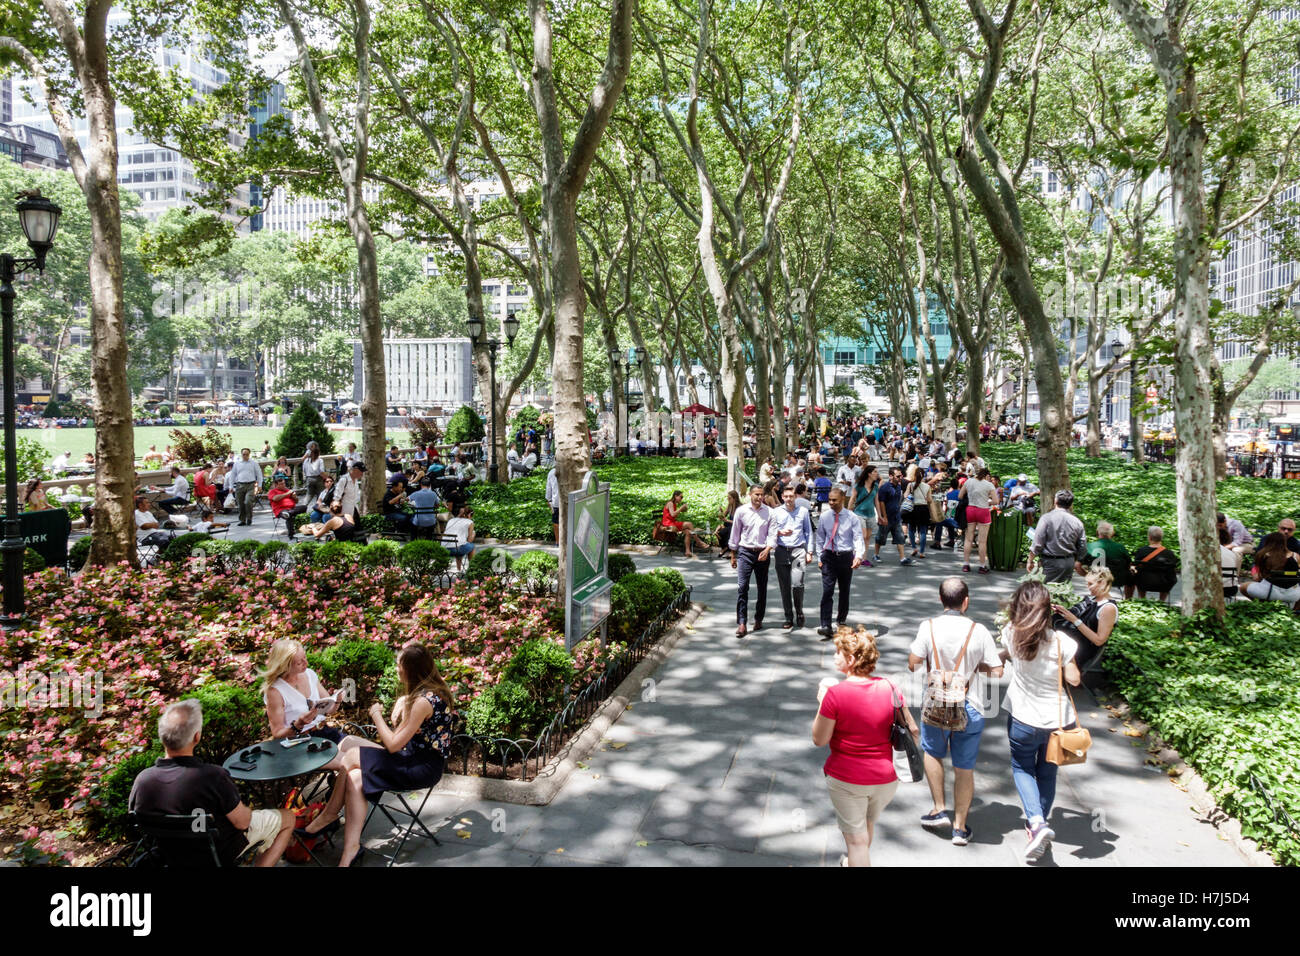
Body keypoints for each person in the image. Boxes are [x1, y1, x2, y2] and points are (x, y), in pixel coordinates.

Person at [298, 644, 453, 867]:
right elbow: (408, 729)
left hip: (419, 767)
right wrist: (403, 701)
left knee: (351, 756)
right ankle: (350, 851)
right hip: (410, 755)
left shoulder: (422, 702)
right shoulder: (432, 690)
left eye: (400, 666)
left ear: (410, 669)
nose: (397, 669)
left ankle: (328, 815)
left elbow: (391, 744)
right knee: (354, 775)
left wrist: (376, 714)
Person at [128, 699, 295, 867]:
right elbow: (242, 822)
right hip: (218, 854)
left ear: (162, 737)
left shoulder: (143, 781)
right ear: (197, 737)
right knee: (288, 818)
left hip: (172, 855)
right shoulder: (212, 776)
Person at [908, 577, 1004, 845]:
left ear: (941, 600)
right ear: (966, 601)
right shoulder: (979, 631)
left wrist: (932, 666)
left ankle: (939, 808)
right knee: (964, 767)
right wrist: (974, 668)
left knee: (932, 753)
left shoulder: (928, 628)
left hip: (936, 704)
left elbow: (913, 664)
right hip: (970, 707)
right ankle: (960, 827)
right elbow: (997, 671)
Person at [813, 627, 916, 867]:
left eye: (838, 652)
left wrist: (822, 702)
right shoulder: (891, 688)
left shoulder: (835, 695)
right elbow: (913, 730)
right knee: (866, 825)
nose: (834, 656)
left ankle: (855, 860)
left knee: (856, 841)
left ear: (851, 659)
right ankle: (852, 862)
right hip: (886, 779)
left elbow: (819, 739)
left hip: (847, 780)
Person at [997, 580, 1082, 863]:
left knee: (1022, 767)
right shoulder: (1062, 642)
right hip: (1057, 720)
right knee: (1047, 772)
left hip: (1022, 716)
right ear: (1047, 610)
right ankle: (1038, 824)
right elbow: (1074, 679)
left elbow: (1008, 655)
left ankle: (1037, 823)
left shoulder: (1010, 633)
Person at [261, 639, 345, 744]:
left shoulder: (310, 674)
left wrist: (337, 700)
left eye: (304, 657)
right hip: (301, 741)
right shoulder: (275, 692)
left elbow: (329, 710)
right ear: (285, 666)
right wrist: (298, 725)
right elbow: (277, 733)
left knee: (362, 749)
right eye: (299, 662)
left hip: (325, 731)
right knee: (348, 759)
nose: (306, 663)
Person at [815, 488, 866, 638]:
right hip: (829, 557)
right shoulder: (824, 517)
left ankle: (841, 619)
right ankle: (825, 624)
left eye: (834, 500)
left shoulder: (852, 517)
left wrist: (858, 556)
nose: (831, 503)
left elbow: (858, 537)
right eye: (829, 500)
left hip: (846, 557)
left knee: (844, 590)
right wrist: (820, 557)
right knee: (827, 591)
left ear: (842, 498)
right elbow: (820, 538)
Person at [766, 485, 815, 629]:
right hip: (781, 551)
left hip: (798, 550)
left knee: (798, 583)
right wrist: (780, 533)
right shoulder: (776, 512)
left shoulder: (803, 512)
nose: (788, 499)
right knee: (784, 586)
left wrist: (809, 551)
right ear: (782, 497)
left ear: (795, 497)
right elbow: (770, 532)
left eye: (791, 496)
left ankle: (799, 611)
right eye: (786, 496)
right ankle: (788, 616)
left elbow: (808, 532)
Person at [729, 484, 773, 638]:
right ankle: (742, 622)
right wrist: (733, 554)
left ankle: (758, 618)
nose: (760, 498)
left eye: (762, 495)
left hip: (762, 553)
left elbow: (772, 535)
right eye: (757, 495)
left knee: (762, 588)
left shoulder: (769, 512)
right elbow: (735, 534)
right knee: (742, 587)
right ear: (750, 494)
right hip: (745, 552)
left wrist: (767, 550)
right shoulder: (741, 511)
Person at [1055, 567, 1119, 668]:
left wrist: (1074, 620)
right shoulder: (1094, 599)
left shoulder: (1108, 608)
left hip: (1081, 650)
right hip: (1072, 641)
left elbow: (1099, 640)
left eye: (1090, 584)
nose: (1087, 587)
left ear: (1102, 583)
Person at [1029, 489, 1088, 583]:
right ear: (1070, 504)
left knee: (1047, 593)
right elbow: (1083, 547)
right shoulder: (1077, 522)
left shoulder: (1046, 518)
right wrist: (1078, 561)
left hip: (1050, 563)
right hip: (1068, 563)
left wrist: (1030, 560)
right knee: (1063, 592)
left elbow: (1037, 544)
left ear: (1055, 501)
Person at [959, 467, 998, 574]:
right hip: (983, 511)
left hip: (970, 510)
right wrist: (987, 501)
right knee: (982, 541)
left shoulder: (968, 482)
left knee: (968, 539)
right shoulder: (989, 485)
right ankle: (982, 566)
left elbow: (960, 495)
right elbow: (995, 501)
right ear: (986, 475)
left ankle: (966, 565)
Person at [1244, 531, 1300, 606]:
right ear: (1284, 542)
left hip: (1269, 592)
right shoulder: (1296, 556)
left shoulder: (1264, 555)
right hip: (1292, 595)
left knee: (1243, 587)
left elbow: (1258, 578)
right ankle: (1290, 612)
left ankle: (1261, 606)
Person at [1131, 526, 1179, 602]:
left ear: (1149, 537)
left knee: (1137, 573)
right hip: (1163, 584)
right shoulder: (1169, 553)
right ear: (1161, 538)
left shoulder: (1141, 551)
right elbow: (1173, 568)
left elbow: (1135, 565)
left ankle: (1142, 598)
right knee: (1170, 574)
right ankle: (1162, 601)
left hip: (1144, 583)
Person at [874, 466, 908, 565]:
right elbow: (881, 502)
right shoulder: (885, 488)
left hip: (896, 518)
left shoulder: (898, 486)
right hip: (886, 518)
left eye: (900, 476)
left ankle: (902, 558)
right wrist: (883, 517)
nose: (900, 478)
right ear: (890, 476)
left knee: (900, 537)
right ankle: (876, 554)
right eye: (897, 476)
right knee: (880, 538)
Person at [1085, 521, 1132, 592]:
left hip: (1095, 580)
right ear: (1112, 533)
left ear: (1097, 532)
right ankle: (1128, 600)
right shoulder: (1120, 547)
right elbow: (1129, 564)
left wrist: (1087, 576)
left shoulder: (1089, 546)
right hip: (1116, 581)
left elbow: (1077, 565)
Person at [661, 490, 711, 557]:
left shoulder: (674, 504)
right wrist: (681, 508)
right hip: (668, 524)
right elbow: (672, 514)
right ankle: (698, 542)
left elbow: (673, 515)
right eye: (681, 497)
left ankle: (687, 551)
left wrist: (682, 510)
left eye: (682, 497)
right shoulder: (670, 503)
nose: (682, 499)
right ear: (675, 496)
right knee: (689, 524)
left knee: (688, 532)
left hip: (672, 523)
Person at [850, 465, 880, 567]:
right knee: (862, 536)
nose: (877, 474)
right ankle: (856, 556)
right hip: (859, 513)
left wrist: (880, 515)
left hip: (871, 514)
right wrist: (848, 512)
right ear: (869, 474)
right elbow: (852, 499)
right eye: (875, 472)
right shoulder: (859, 485)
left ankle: (864, 558)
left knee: (867, 537)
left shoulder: (875, 486)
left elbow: (876, 501)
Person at [905, 464, 931, 560]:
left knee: (911, 529)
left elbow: (905, 496)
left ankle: (914, 548)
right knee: (923, 531)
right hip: (923, 509)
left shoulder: (910, 485)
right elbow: (929, 500)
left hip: (913, 509)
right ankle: (922, 552)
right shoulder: (927, 486)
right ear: (923, 476)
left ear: (914, 476)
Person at [230, 447, 262, 526]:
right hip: (240, 485)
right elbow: (233, 475)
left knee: (248, 502)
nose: (245, 456)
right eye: (243, 454)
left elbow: (259, 474)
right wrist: (231, 486)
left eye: (247, 454)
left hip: (251, 484)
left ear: (249, 454)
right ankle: (242, 520)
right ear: (241, 454)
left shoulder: (253, 463)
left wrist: (260, 485)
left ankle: (249, 518)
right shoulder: (237, 463)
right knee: (240, 503)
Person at [444, 505, 476, 570]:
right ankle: (472, 569)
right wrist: (473, 535)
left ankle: (459, 570)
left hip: (444, 549)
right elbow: (469, 541)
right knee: (471, 546)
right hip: (456, 550)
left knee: (460, 544)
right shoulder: (470, 522)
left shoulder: (451, 520)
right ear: (470, 514)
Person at [717, 490, 741, 558]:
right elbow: (723, 516)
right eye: (727, 498)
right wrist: (720, 512)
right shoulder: (729, 505)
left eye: (729, 498)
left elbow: (739, 522)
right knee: (719, 531)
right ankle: (724, 547)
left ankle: (730, 550)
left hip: (736, 526)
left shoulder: (739, 507)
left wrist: (727, 520)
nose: (728, 500)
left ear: (734, 498)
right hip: (729, 524)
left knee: (730, 530)